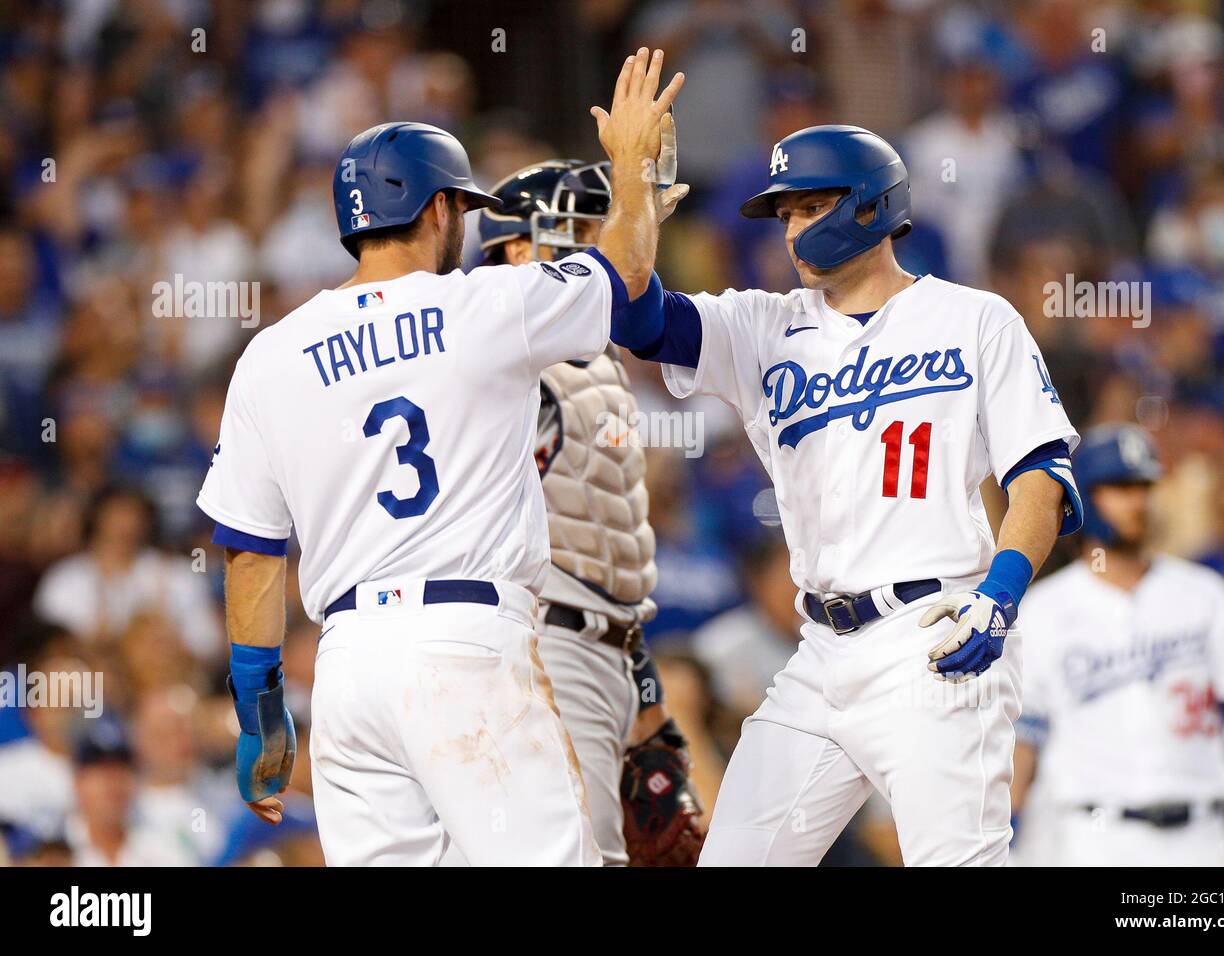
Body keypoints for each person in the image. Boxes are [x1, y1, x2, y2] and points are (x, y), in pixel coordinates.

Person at [195, 48, 684, 866]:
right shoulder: (483, 305)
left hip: (346, 669)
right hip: (466, 644)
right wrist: (631, 166)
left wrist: (260, 712)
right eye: (460, 204)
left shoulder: (271, 356)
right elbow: (628, 272)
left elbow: (250, 552)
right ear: (438, 210)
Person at [609, 124, 1083, 866]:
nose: (792, 228)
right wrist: (632, 187)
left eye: (807, 206)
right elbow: (633, 317)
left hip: (934, 631)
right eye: (785, 213)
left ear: (868, 207)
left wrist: (1000, 593)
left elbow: (1042, 483)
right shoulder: (762, 327)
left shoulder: (974, 319)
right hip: (820, 651)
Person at [444, 155, 703, 866]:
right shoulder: (498, 358)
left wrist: (645, 694)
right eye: (587, 227)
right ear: (522, 249)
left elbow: (611, 554)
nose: (607, 243)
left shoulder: (599, 364)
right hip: (542, 643)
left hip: (608, 647)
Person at [1012, 424, 1224, 866]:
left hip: (1205, 835)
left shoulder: (1204, 593)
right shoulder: (1042, 611)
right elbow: (1021, 743)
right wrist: (1007, 834)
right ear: (1082, 499)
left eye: (1144, 486)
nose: (1138, 501)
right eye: (1120, 488)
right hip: (1091, 841)